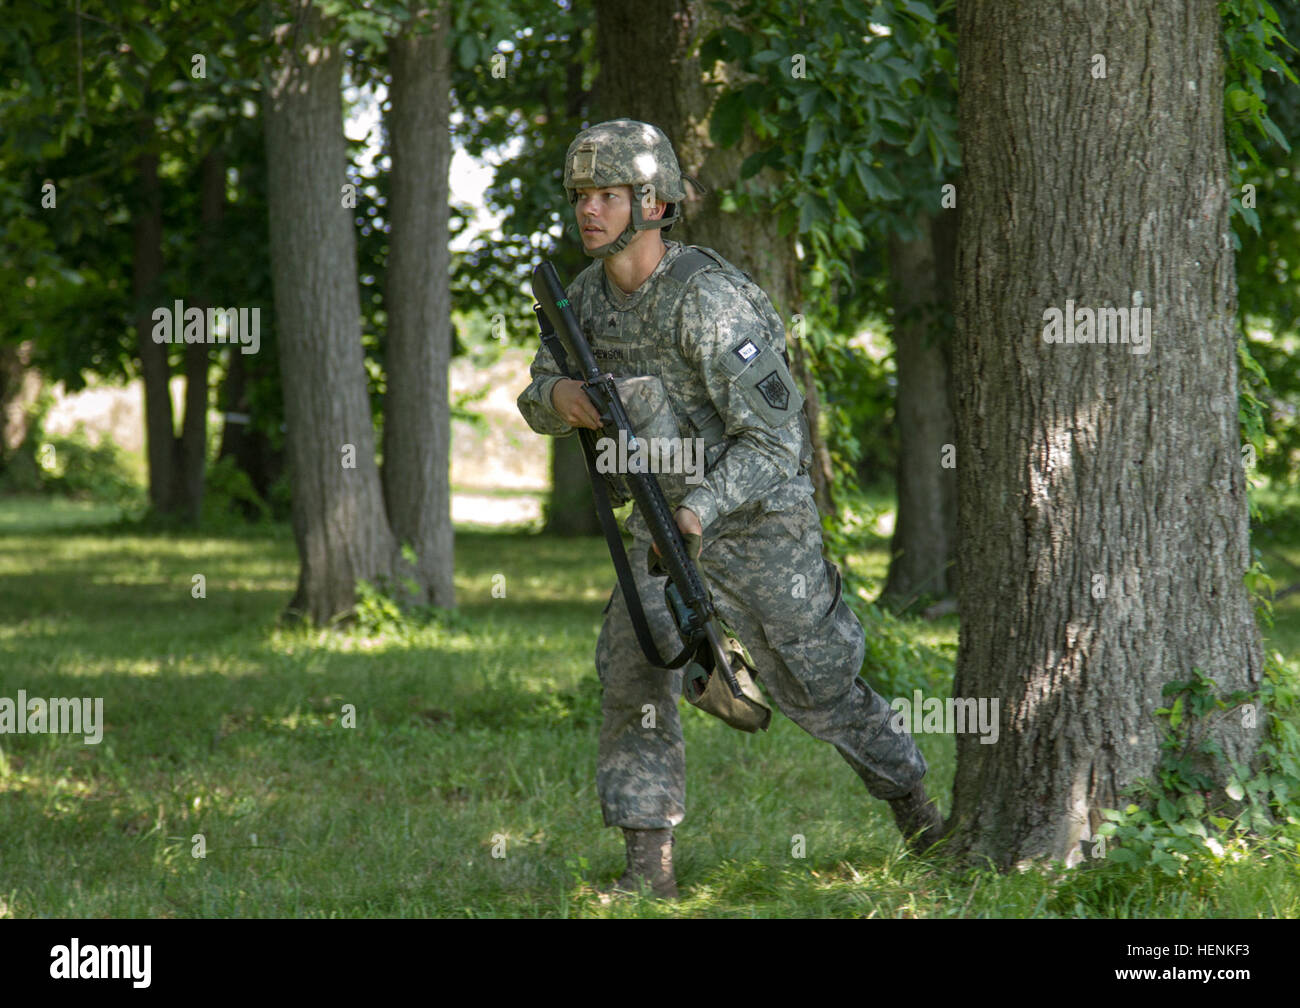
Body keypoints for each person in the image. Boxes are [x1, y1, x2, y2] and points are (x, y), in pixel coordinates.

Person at [516, 118, 942, 899]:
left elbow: (776, 443)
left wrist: (701, 507)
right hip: (659, 522)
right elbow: (535, 391)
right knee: (634, 665)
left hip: (756, 523)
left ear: (653, 203)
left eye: (608, 195)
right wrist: (562, 398)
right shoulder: (581, 300)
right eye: (581, 196)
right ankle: (650, 872)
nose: (589, 211)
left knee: (819, 689)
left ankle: (922, 820)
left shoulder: (708, 301)